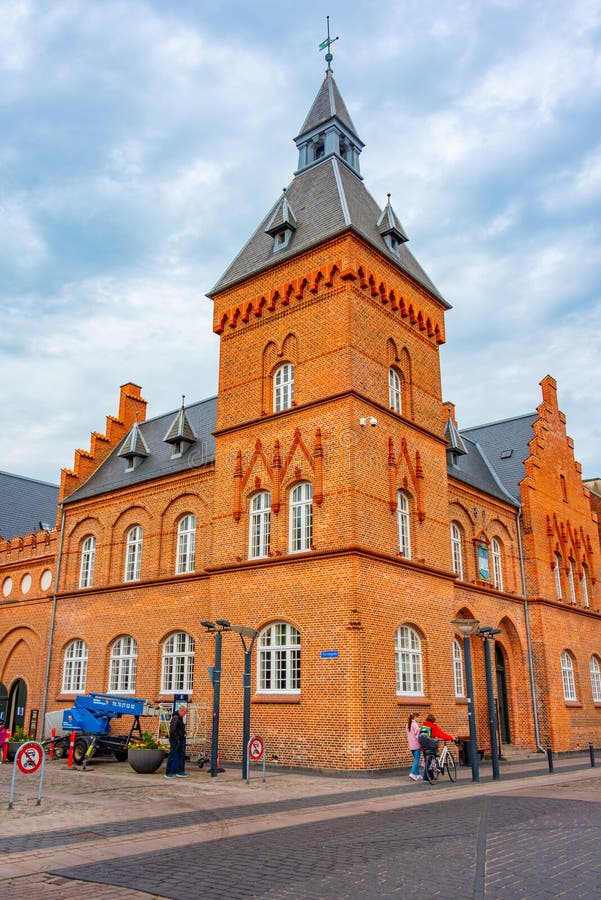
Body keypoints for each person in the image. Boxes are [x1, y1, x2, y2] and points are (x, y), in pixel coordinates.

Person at [165, 704, 188, 778]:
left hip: (180, 739)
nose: (185, 714)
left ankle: (180, 771)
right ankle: (168, 772)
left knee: (181, 755)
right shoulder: (176, 718)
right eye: (185, 712)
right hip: (175, 740)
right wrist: (177, 738)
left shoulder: (179, 718)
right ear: (181, 711)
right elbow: (173, 729)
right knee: (172, 755)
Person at [406, 712, 422, 781]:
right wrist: (420, 729)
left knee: (416, 759)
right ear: (415, 717)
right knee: (416, 760)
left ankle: (417, 774)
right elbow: (417, 735)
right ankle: (412, 773)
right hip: (416, 745)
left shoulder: (407, 724)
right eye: (418, 717)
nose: (419, 718)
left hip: (411, 745)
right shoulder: (415, 724)